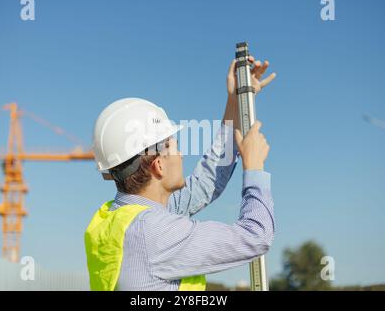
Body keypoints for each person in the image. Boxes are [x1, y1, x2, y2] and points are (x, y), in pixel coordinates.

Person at [85, 56, 276, 290]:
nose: (182, 155)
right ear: (158, 165)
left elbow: (204, 184)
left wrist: (235, 101)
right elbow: (255, 237)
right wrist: (254, 168)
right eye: (175, 146)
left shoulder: (120, 219)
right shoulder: (154, 232)